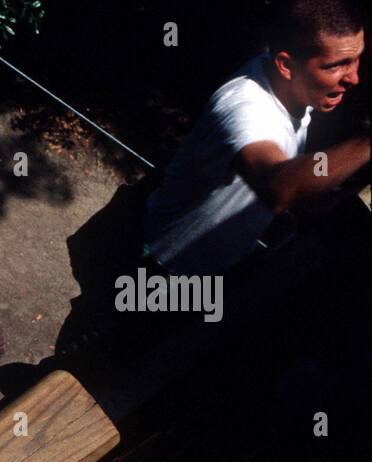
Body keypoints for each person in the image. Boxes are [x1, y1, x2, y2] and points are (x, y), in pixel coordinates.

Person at [143, 0, 368, 276]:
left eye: (357, 58)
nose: (354, 77)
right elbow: (278, 187)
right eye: (336, 66)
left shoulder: (294, 86)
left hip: (207, 266)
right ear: (286, 65)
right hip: (159, 263)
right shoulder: (247, 108)